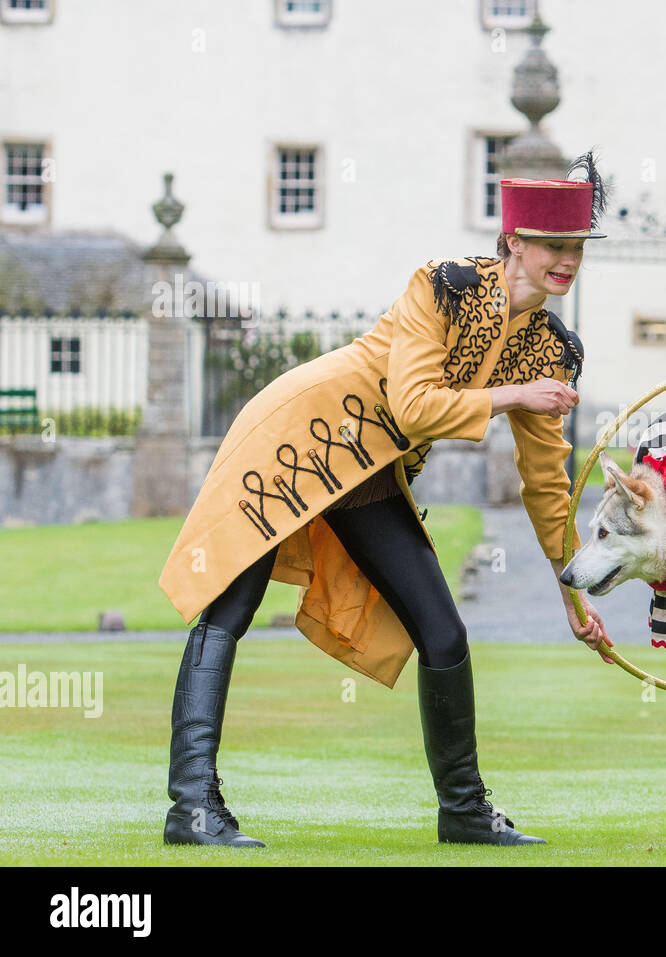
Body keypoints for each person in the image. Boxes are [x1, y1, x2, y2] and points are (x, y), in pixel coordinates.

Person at [156, 150, 614, 849]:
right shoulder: (443, 286)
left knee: (444, 632)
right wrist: (515, 395)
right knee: (230, 609)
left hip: (367, 470)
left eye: (577, 246)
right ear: (514, 242)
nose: (568, 260)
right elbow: (414, 404)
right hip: (296, 434)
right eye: (554, 244)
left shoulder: (550, 349)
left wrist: (574, 600)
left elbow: (549, 488)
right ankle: (191, 809)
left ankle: (464, 811)